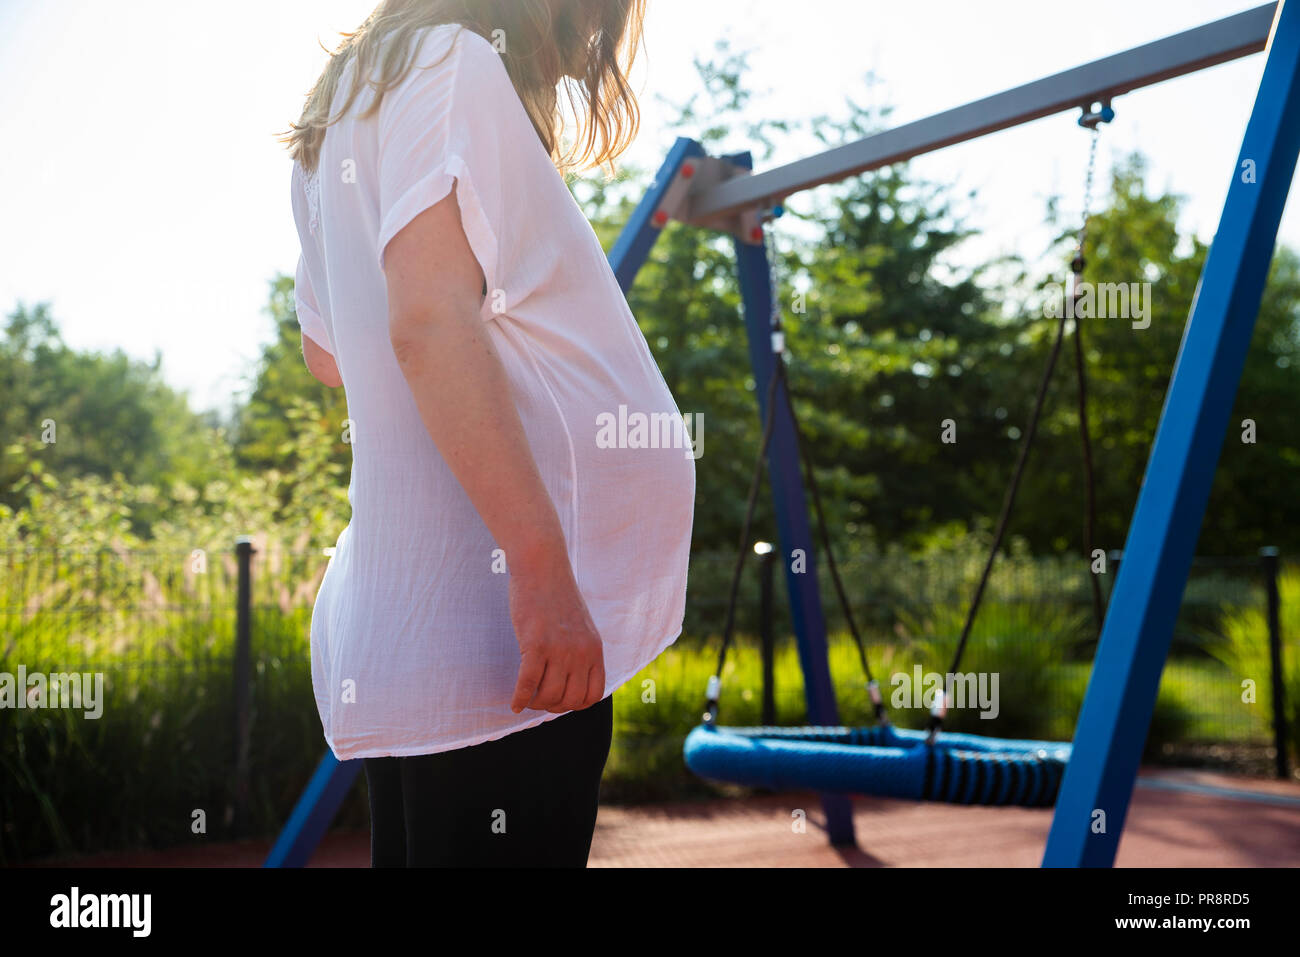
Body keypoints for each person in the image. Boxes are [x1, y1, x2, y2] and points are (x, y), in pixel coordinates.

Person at [280, 0, 694, 867]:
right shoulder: (450, 60)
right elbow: (427, 323)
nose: (589, 39)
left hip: (427, 631)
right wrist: (542, 572)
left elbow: (329, 352)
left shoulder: (343, 102)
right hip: (498, 632)